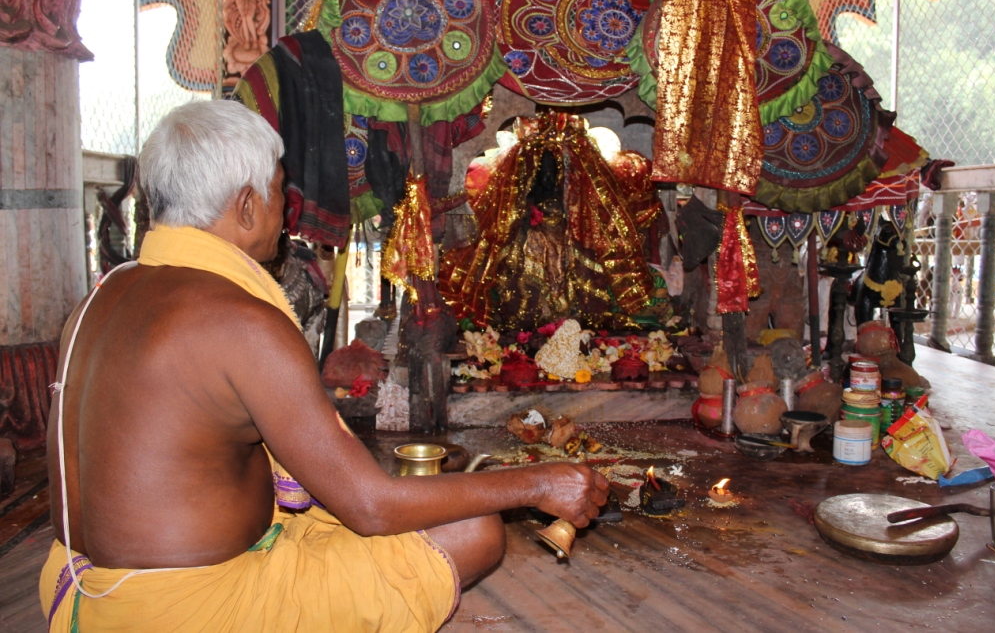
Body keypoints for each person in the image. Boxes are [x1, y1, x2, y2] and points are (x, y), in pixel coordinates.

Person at [40, 100, 609, 632]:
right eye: (277, 191)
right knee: (471, 529)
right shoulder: (238, 318)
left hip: (77, 592)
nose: (283, 209)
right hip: (182, 609)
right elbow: (371, 506)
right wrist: (537, 483)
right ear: (245, 205)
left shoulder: (101, 296)